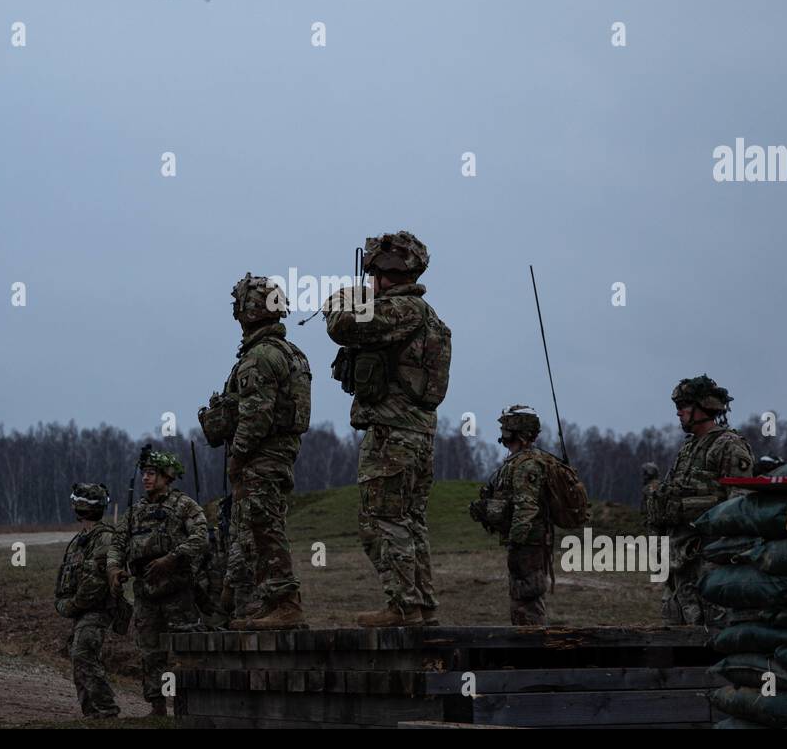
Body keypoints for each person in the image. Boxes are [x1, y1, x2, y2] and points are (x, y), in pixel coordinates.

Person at [324, 231, 452, 628]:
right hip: (415, 434)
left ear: (383, 272)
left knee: (380, 520)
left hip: (393, 433)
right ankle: (421, 604)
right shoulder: (424, 313)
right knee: (409, 519)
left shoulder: (402, 311)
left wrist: (339, 302)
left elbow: (343, 327)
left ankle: (403, 606)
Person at [199, 273, 311, 630]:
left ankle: (284, 603)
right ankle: (269, 602)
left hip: (262, 457)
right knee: (257, 527)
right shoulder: (290, 353)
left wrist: (238, 456)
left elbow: (255, 416)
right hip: (279, 453)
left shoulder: (259, 357)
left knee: (264, 527)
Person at [644, 375, 753, 626]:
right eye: (677, 407)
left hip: (710, 557)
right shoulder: (688, 448)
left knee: (713, 621)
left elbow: (739, 505)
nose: (679, 413)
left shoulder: (729, 446)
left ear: (703, 408)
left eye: (683, 406)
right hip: (682, 555)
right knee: (679, 616)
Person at [107, 449, 208, 716]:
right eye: (143, 473)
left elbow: (201, 537)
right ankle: (158, 706)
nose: (145, 478)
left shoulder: (183, 505)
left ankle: (189, 707)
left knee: (185, 651)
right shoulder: (134, 512)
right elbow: (117, 543)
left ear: (166, 476)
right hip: (146, 594)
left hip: (177, 592)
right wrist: (115, 569)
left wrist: (171, 559)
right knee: (151, 652)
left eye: (151, 473)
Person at [469, 406, 555, 625]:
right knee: (520, 596)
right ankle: (525, 645)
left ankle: (532, 648)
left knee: (527, 597)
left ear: (519, 432)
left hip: (528, 543)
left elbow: (526, 508)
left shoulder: (527, 465)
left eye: (507, 431)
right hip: (523, 542)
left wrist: (516, 540)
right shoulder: (518, 461)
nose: (503, 437)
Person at [54, 482, 125, 719]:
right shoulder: (80, 539)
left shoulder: (104, 538)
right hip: (82, 612)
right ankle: (92, 713)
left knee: (84, 657)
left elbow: (95, 583)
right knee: (79, 661)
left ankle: (106, 710)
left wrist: (72, 605)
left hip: (96, 610)